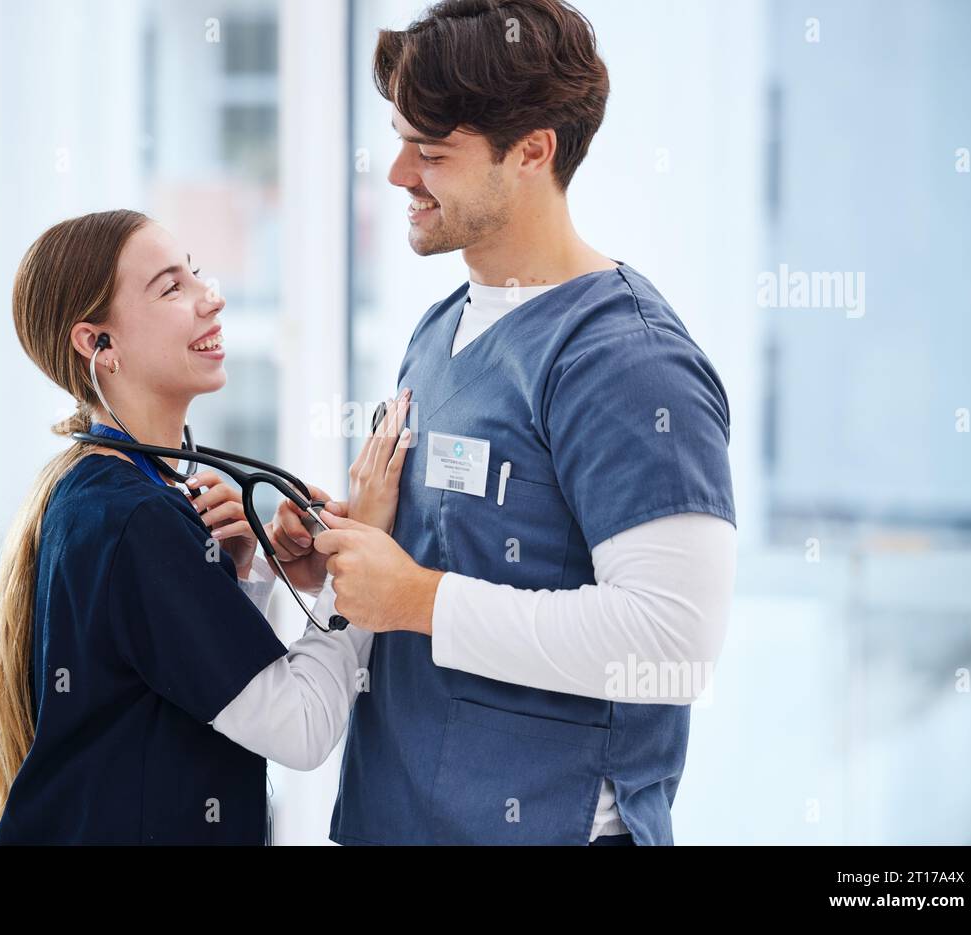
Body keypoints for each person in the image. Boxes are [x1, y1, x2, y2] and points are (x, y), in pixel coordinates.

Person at [293, 0, 738, 845]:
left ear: (533, 150)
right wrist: (342, 546)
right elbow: (452, 549)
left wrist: (417, 597)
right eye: (397, 139)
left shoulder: (627, 363)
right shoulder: (441, 328)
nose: (396, 174)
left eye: (430, 150)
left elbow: (672, 643)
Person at [0, 209, 406, 844]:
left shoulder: (104, 490)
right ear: (99, 344)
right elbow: (301, 726)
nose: (214, 298)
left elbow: (171, 692)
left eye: (196, 274)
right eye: (171, 287)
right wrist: (368, 561)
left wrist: (246, 575)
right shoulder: (137, 517)